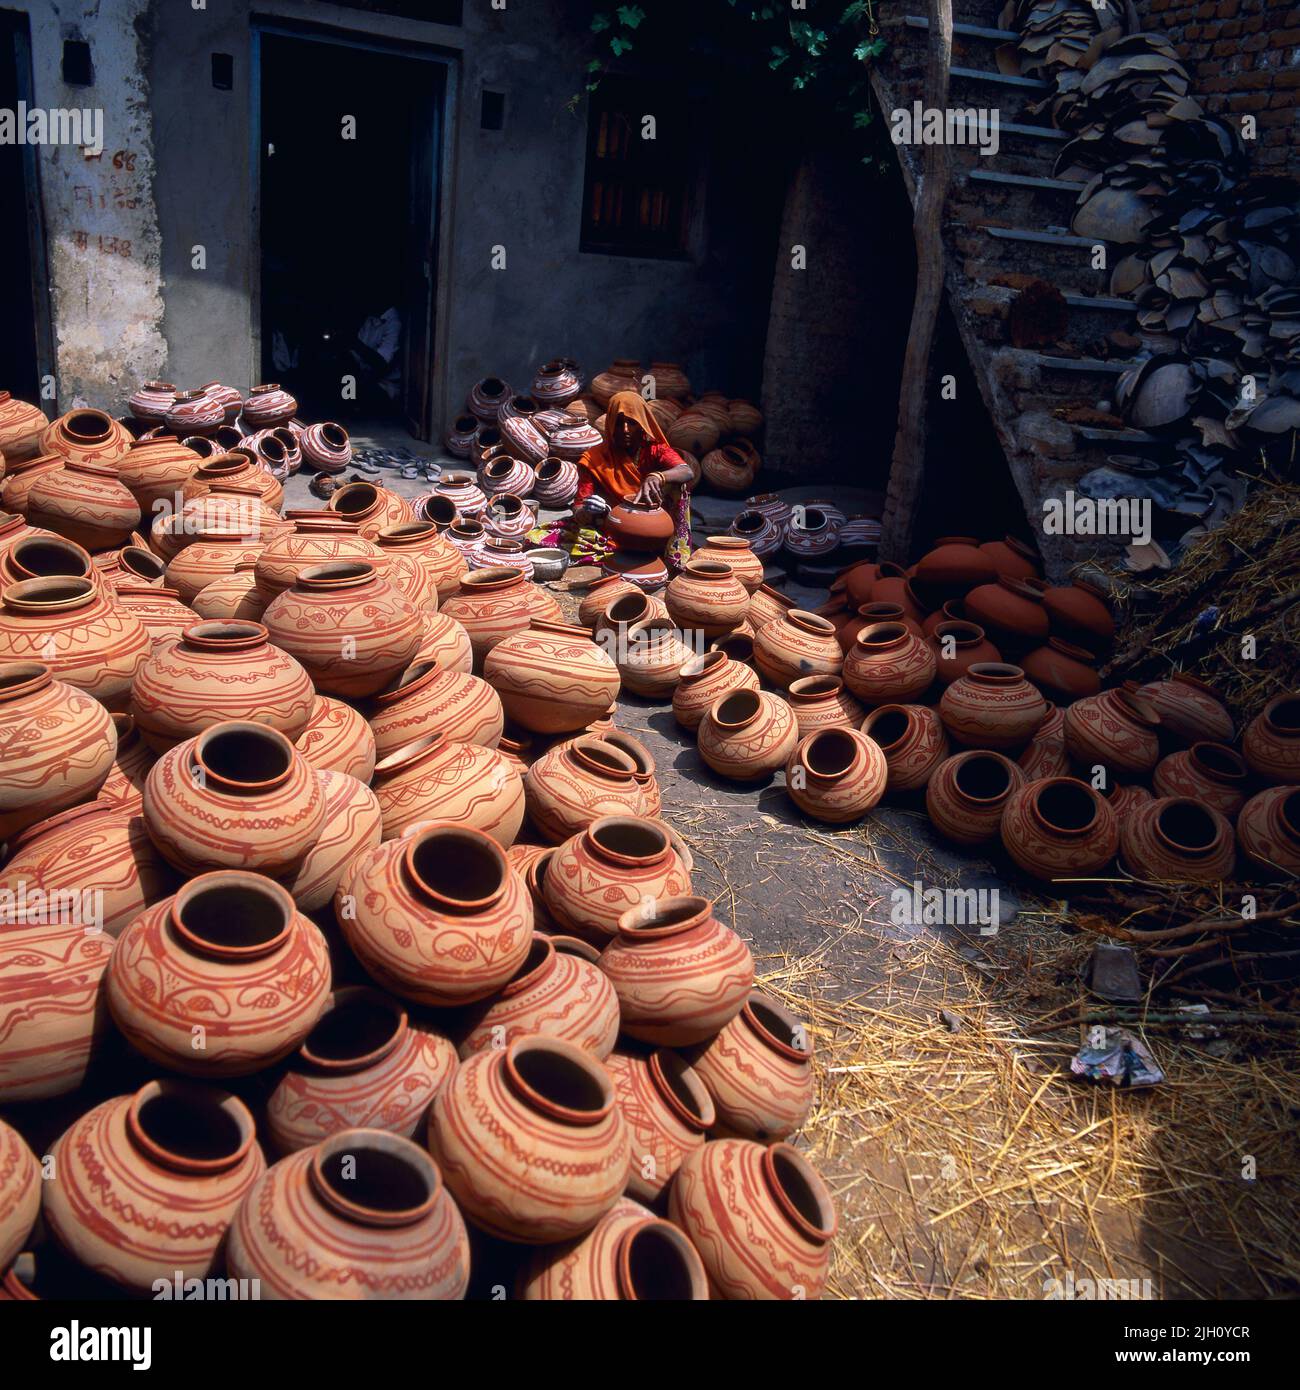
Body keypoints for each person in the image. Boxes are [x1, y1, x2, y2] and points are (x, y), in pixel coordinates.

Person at [532, 390, 694, 571]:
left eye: (632, 423)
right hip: (613, 526)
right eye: (618, 423)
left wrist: (658, 476)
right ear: (610, 424)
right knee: (541, 538)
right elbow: (578, 508)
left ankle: (672, 553)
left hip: (655, 528)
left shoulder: (656, 450)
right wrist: (589, 510)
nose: (625, 430)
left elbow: (686, 471)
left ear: (642, 424)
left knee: (678, 487)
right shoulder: (594, 457)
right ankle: (628, 552)